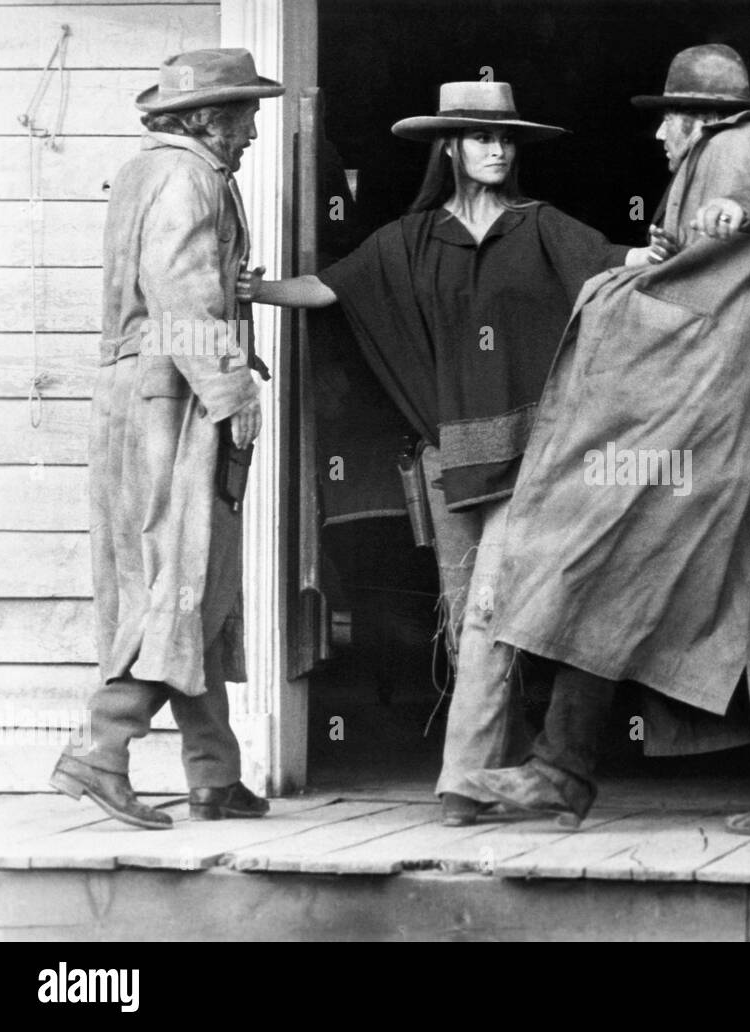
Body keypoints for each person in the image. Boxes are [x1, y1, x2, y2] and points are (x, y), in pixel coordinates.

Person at [240, 81, 672, 827]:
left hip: (536, 461)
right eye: (480, 137)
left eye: (505, 138)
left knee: (488, 613)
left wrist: (661, 251)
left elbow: (617, 261)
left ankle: (462, 782)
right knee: (471, 612)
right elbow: (326, 290)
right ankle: (500, 777)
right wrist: (249, 289)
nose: (497, 149)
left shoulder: (541, 228)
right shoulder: (411, 240)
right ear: (451, 148)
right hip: (451, 462)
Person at [469, 44, 750, 837]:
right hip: (719, 424)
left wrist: (747, 209)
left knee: (614, 562)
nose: (659, 139)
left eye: (666, 121)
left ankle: (562, 770)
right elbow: (713, 274)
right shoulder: (708, 160)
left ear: (697, 117)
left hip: (731, 427)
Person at [50, 49, 283, 828]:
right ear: (208, 119)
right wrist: (232, 389)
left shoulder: (147, 171)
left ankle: (213, 775)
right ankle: (100, 749)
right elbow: (180, 295)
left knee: (193, 583)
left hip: (138, 392)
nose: (253, 129)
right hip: (174, 399)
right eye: (245, 112)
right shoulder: (190, 177)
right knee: (179, 580)